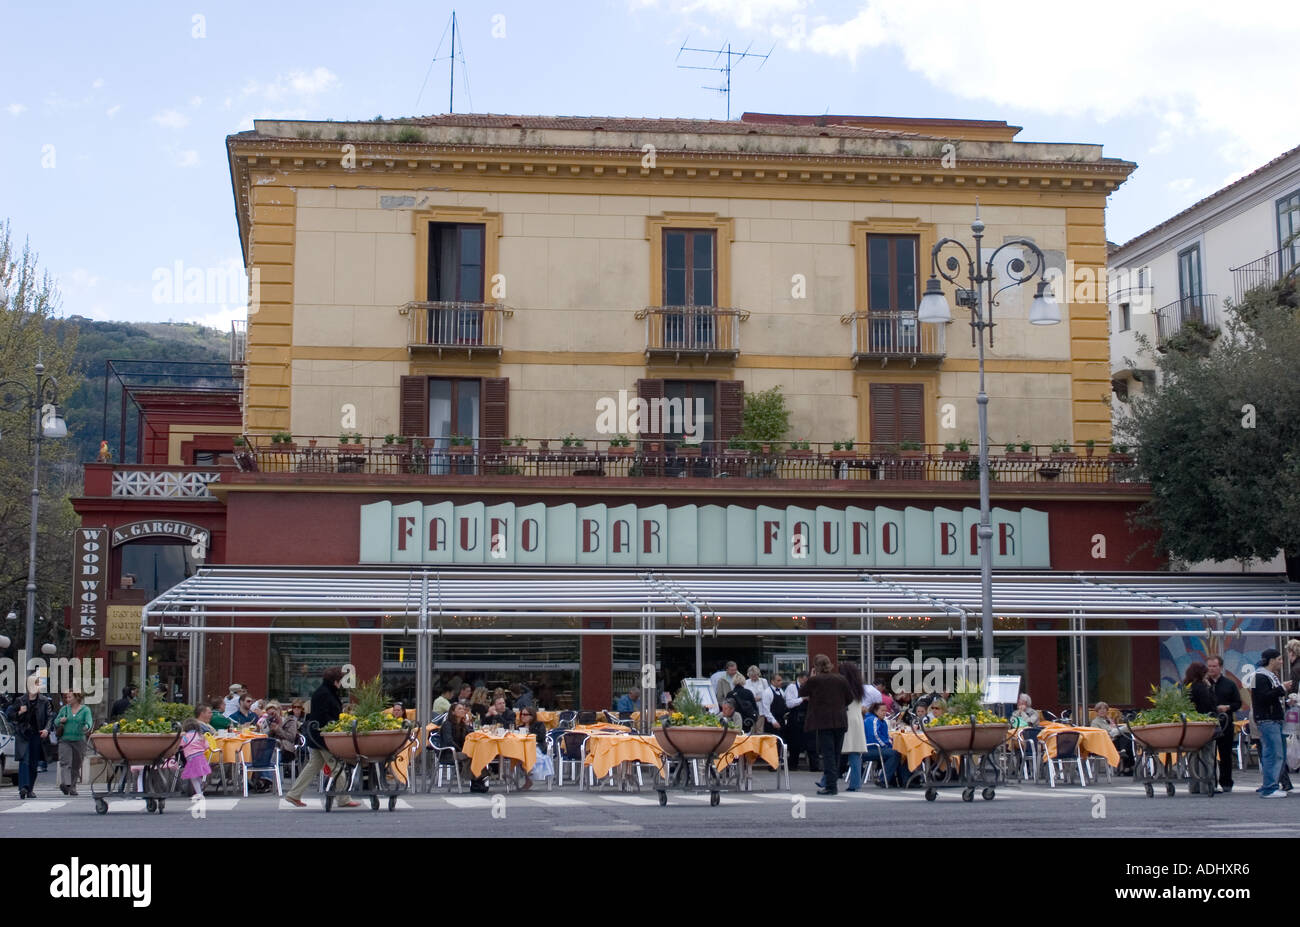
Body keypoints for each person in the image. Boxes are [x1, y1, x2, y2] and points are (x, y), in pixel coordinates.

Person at [284, 667, 360, 809]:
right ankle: (343, 799)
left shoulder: (323, 692)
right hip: (324, 737)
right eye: (341, 680)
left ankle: (294, 795)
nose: (342, 683)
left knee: (313, 766)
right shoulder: (326, 693)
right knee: (337, 768)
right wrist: (333, 728)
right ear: (336, 681)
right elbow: (325, 716)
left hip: (317, 736)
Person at [803, 654, 854, 795]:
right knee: (836, 754)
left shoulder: (815, 681)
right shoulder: (840, 679)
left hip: (824, 722)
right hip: (840, 720)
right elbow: (849, 698)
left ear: (816, 667)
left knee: (828, 755)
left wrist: (811, 678)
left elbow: (802, 692)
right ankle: (832, 784)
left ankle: (831, 787)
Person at [5, 677, 54, 799]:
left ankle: (30, 788)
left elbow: (50, 717)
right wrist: (20, 713)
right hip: (23, 734)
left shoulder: (44, 701)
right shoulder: (20, 700)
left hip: (37, 735)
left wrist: (47, 730)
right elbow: (9, 715)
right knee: (24, 760)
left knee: (33, 763)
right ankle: (23, 788)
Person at [1252, 648, 1291, 798]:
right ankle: (1270, 787)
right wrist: (1282, 688)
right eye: (1279, 659)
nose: (1281, 662)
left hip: (1271, 718)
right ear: (1272, 660)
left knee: (1272, 753)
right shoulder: (1260, 676)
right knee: (1274, 753)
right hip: (1268, 719)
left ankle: (1268, 785)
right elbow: (1263, 698)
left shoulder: (1265, 676)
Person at [1205, 655, 1242, 792]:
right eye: (1209, 666)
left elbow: (1238, 703)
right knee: (1209, 754)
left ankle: (1226, 782)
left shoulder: (1229, 684)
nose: (1212, 669)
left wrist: (1227, 707)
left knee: (1225, 753)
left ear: (1220, 667)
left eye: (1214, 666)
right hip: (1208, 724)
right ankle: (1211, 782)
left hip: (1225, 723)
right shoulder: (1204, 684)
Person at [52, 690, 93, 796]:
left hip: (79, 740)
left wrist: (87, 726)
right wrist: (61, 720)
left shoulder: (85, 710)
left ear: (76, 698)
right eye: (66, 697)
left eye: (70, 697)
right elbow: (55, 721)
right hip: (65, 739)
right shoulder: (64, 709)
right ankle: (67, 784)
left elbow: (89, 721)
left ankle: (72, 787)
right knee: (65, 762)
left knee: (76, 764)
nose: (67, 699)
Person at [839, 662, 867, 791]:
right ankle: (855, 783)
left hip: (846, 719)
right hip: (857, 719)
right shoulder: (858, 687)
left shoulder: (843, 686)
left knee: (835, 751)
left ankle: (827, 780)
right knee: (854, 752)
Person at [864, 701, 903, 787]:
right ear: (875, 711)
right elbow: (875, 736)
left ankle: (897, 780)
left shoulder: (882, 722)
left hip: (877, 748)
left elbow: (886, 737)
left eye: (885, 710)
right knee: (895, 754)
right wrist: (887, 746)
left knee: (898, 751)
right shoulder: (872, 720)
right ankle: (882, 780)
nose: (884, 713)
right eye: (882, 710)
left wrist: (890, 745)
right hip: (870, 749)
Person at [1090, 701, 1134, 775]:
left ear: (1107, 710)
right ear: (1097, 711)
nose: (1102, 711)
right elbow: (1096, 735)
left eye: (1104, 709)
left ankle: (1124, 754)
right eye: (1100, 709)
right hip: (1106, 742)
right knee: (1126, 738)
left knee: (1126, 736)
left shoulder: (1109, 720)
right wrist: (1112, 733)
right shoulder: (1095, 722)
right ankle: (1128, 767)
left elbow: (1114, 730)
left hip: (1115, 740)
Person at [515, 706, 553, 790]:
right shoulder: (518, 728)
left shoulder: (539, 725)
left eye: (525, 714)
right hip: (522, 749)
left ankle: (529, 774)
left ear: (532, 716)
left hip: (537, 747)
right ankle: (524, 775)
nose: (522, 716)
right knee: (517, 753)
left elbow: (541, 737)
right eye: (521, 714)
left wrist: (529, 733)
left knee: (526, 753)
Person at [783, 672, 813, 771]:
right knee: (794, 743)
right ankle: (793, 765)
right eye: (805, 679)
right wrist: (802, 699)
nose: (806, 682)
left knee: (810, 742)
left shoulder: (808, 687)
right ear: (799, 678)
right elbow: (789, 703)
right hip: (795, 717)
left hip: (807, 717)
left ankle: (814, 765)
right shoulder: (791, 687)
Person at [179, 718, 213, 797]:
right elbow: (207, 746)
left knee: (193, 777)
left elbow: (181, 745)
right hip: (201, 756)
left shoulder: (185, 737)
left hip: (191, 758)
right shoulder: (200, 736)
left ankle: (199, 793)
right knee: (197, 775)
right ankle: (201, 784)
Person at [743, 665, 780, 734]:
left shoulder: (763, 681)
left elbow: (768, 693)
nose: (754, 677)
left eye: (755, 675)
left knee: (760, 730)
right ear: (749, 675)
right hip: (751, 710)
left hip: (761, 709)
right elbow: (745, 696)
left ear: (758, 674)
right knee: (751, 731)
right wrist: (752, 699)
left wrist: (760, 697)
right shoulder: (746, 682)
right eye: (752, 675)